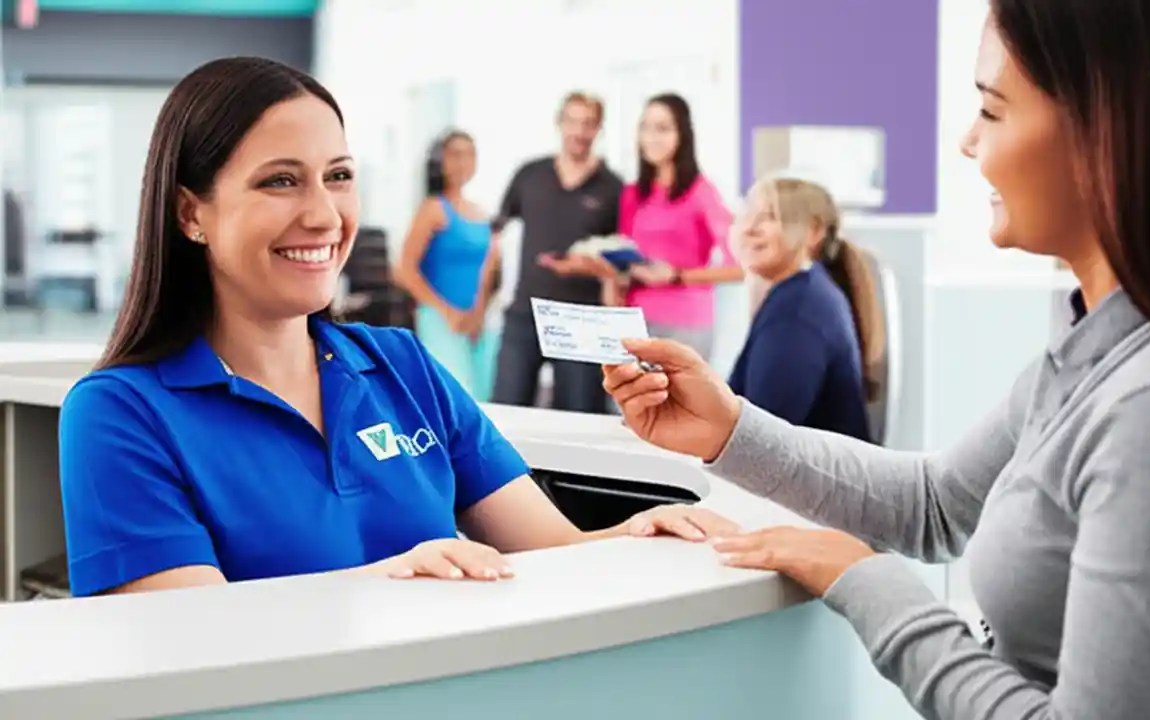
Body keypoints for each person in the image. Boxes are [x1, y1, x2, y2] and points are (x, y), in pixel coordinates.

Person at [602, 1, 1150, 717]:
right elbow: (937, 503)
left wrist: (868, 582)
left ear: (1102, 129)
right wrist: (730, 430)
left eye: (991, 111)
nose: (966, 142)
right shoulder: (1093, 351)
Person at [56, 58, 736, 598]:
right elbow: (184, 640)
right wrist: (390, 583)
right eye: (281, 182)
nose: (325, 215)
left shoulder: (401, 367)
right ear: (189, 213)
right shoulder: (119, 414)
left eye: (339, 175)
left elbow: (554, 555)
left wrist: (631, 534)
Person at [548, 93, 740, 359]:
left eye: (662, 128)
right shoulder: (632, 194)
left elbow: (739, 268)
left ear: (682, 134)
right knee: (624, 401)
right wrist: (609, 280)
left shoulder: (702, 192)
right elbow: (626, 256)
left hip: (684, 324)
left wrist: (677, 275)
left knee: (675, 401)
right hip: (632, 321)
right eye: (645, 127)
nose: (651, 137)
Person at [489, 92, 623, 414]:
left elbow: (620, 261)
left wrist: (588, 267)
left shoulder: (613, 187)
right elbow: (496, 236)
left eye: (588, 123)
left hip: (582, 319)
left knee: (581, 417)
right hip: (525, 311)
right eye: (573, 121)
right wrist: (483, 300)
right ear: (559, 124)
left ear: (599, 129)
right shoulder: (530, 175)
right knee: (506, 412)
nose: (579, 131)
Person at [729, 177, 880, 441]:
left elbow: (762, 438)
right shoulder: (801, 293)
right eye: (747, 214)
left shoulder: (797, 312)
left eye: (769, 217)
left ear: (813, 231)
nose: (749, 228)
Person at [392, 130, 500, 401]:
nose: (463, 161)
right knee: (453, 398)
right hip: (440, 320)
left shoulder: (482, 214)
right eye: (455, 154)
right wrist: (446, 311)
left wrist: (478, 312)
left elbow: (488, 273)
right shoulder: (432, 209)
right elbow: (403, 270)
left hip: (478, 324)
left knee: (483, 403)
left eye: (469, 154)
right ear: (441, 161)